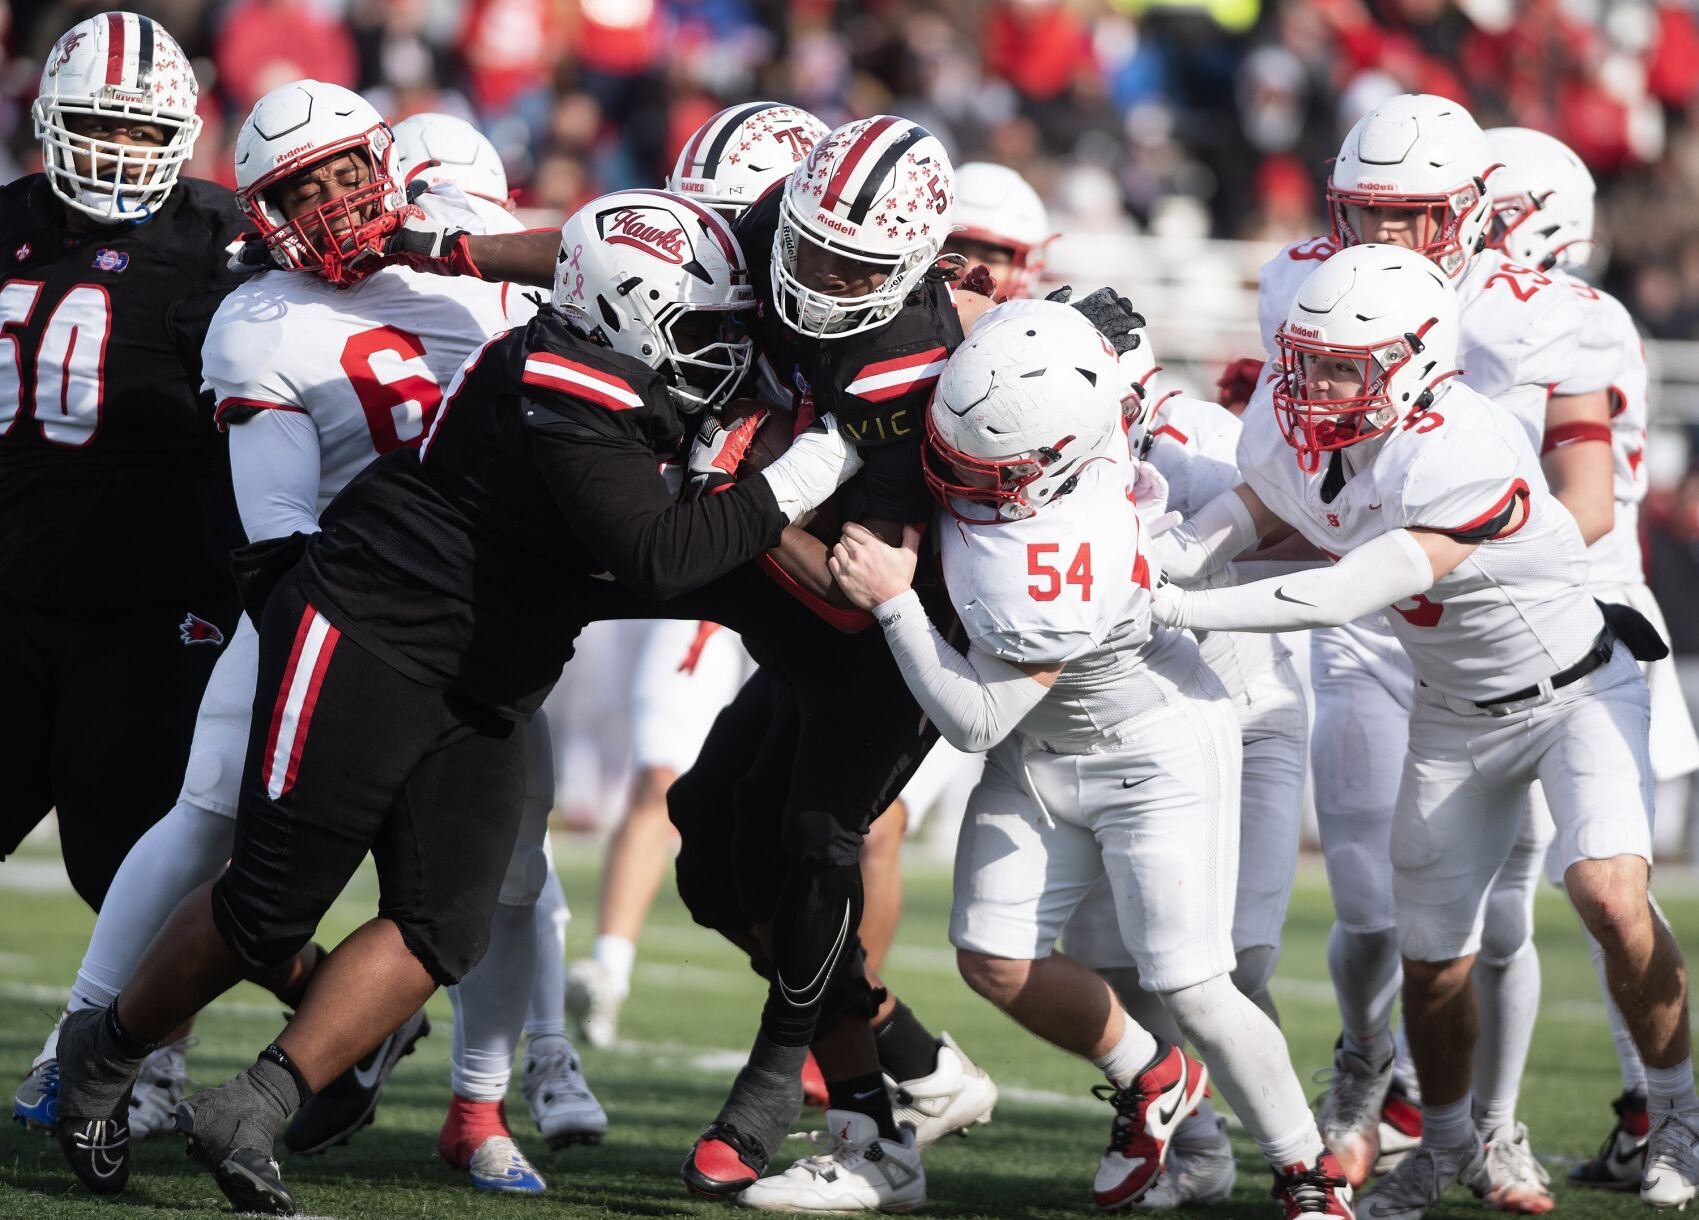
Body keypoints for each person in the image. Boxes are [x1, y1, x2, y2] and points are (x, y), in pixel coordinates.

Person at [52, 184, 865, 1216]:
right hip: (369, 631)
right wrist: (795, 481)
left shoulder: (625, 358)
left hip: (487, 674)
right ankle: (103, 1052)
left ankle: (253, 1103)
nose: (720, 347)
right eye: (699, 326)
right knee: (266, 908)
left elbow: (697, 535)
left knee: (445, 925)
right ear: (624, 309)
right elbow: (661, 557)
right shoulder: (564, 379)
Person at [1154, 242, 1699, 1217]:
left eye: (1339, 366)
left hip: (1577, 689)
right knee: (1433, 964)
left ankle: (1679, 1112)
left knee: (1608, 892)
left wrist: (1175, 605)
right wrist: (1170, 552)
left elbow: (1349, 585)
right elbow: (1259, 507)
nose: (1312, 384)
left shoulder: (1460, 441)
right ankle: (1444, 1144)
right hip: (1453, 714)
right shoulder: (1309, 427)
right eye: (1305, 359)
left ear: (1413, 359)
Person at [827, 298, 1352, 1217]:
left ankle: (1306, 1170)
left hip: (1147, 749)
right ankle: (1150, 1079)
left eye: (992, 468)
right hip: (1044, 747)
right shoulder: (1044, 433)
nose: (962, 476)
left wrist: (895, 605)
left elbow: (975, 718)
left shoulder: (1080, 539)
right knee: (990, 956)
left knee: (1193, 980)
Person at [1256, 92, 1612, 1200]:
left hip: (1485, 624)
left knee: (1498, 912)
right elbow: (1293, 455)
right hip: (1365, 622)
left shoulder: (1538, 308)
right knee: (1369, 899)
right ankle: (1364, 1069)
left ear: (1466, 210)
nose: (1386, 235)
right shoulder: (1296, 277)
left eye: (1412, 214)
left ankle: (1487, 1128)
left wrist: (1455, 547)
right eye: (1365, 210)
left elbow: (1582, 501)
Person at [5, 9, 247, 1134]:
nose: (112, 146)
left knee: (128, 850)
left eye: (135, 126)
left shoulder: (227, 238)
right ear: (50, 120)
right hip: (15, 582)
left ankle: (151, 1061)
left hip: (159, 595)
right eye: (94, 121)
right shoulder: (7, 224)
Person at [563, 99, 827, 1052]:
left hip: (809, 567)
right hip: (714, 546)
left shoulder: (850, 309)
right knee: (687, 801)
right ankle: (860, 1047)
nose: (715, 245)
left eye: (739, 223)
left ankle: (855, 1053)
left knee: (832, 824)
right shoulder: (709, 289)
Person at [1485, 124, 1699, 1194]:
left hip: (1583, 614)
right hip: (1498, 619)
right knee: (1497, 901)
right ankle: (1469, 1116)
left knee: (1604, 888)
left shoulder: (1567, 321)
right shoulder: (1538, 308)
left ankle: (1670, 1110)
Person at [1056, 325, 1312, 1208]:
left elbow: (1323, 545)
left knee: (1232, 965)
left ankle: (1307, 1145)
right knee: (1108, 956)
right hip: (1128, 734)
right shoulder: (1020, 463)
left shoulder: (1199, 447)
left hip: (1248, 720)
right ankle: (1196, 1142)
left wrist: (1193, 558)